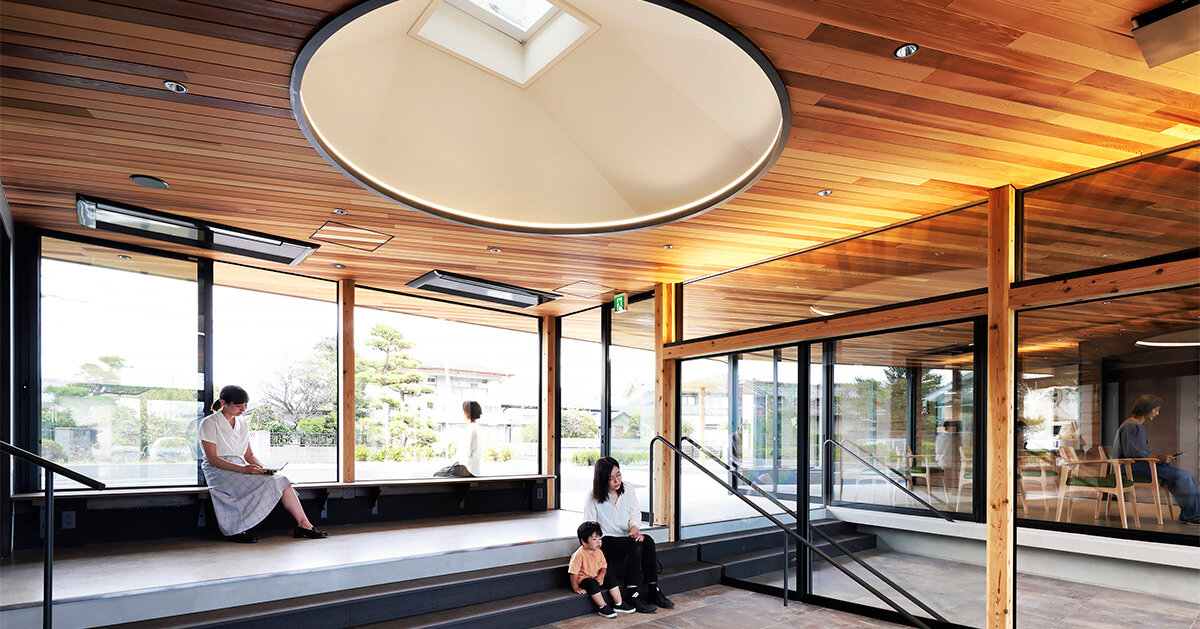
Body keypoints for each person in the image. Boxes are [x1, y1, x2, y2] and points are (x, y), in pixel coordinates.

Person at [199, 385, 328, 542]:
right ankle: (236, 529)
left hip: (240, 466)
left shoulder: (242, 424)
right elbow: (212, 458)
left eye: (245, 405)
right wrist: (244, 470)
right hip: (218, 470)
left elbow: (249, 455)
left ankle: (304, 525)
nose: (243, 409)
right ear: (224, 403)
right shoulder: (209, 423)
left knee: (282, 480)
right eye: (239, 405)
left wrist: (265, 468)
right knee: (278, 482)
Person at [582, 456, 672, 613]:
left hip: (625, 537)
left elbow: (634, 514)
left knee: (648, 541)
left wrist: (635, 528)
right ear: (602, 480)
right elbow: (589, 526)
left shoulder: (628, 488)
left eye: (618, 474)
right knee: (634, 545)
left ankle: (653, 590)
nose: (617, 481)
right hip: (605, 541)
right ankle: (632, 593)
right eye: (611, 478)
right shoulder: (592, 497)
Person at [1111, 394, 1199, 525]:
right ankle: (1193, 515)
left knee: (1185, 477)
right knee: (1185, 476)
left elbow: (1141, 452)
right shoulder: (1130, 425)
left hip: (1141, 464)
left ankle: (1189, 514)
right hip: (1130, 467)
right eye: (1155, 410)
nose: (1157, 413)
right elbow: (1133, 453)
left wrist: (1161, 458)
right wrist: (1158, 458)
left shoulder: (1137, 426)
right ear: (1146, 408)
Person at [568, 521, 637, 618]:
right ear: (583, 541)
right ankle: (602, 606)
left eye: (600, 539)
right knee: (592, 584)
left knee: (611, 578)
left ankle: (619, 604)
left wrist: (602, 575)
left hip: (597, 576)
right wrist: (575, 587)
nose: (599, 542)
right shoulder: (579, 555)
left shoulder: (599, 552)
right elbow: (573, 572)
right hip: (585, 578)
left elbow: (604, 566)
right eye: (595, 539)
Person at [454, 400, 483, 476]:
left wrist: (458, 462)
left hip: (468, 470)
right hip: (475, 469)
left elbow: (467, 451)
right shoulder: (478, 427)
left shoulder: (470, 428)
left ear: (467, 412)